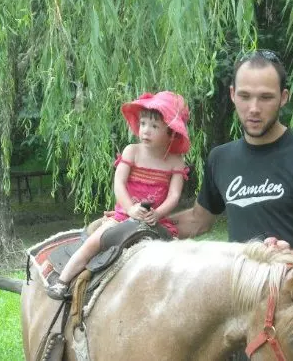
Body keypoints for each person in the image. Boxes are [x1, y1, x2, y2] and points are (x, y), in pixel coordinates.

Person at [173, 49, 293, 264]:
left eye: (265, 97)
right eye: (245, 96)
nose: (254, 109)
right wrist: (138, 227)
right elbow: (198, 221)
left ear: (283, 98)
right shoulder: (221, 158)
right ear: (232, 94)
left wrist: (280, 257)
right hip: (240, 293)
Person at [47, 91, 190, 300]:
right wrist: (130, 209)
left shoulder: (176, 161)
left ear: (171, 132)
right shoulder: (132, 151)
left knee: (179, 254)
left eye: (154, 126)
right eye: (143, 124)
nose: (146, 131)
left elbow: (174, 196)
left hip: (154, 220)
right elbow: (119, 183)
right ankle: (63, 281)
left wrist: (157, 214)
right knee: (93, 244)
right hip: (124, 216)